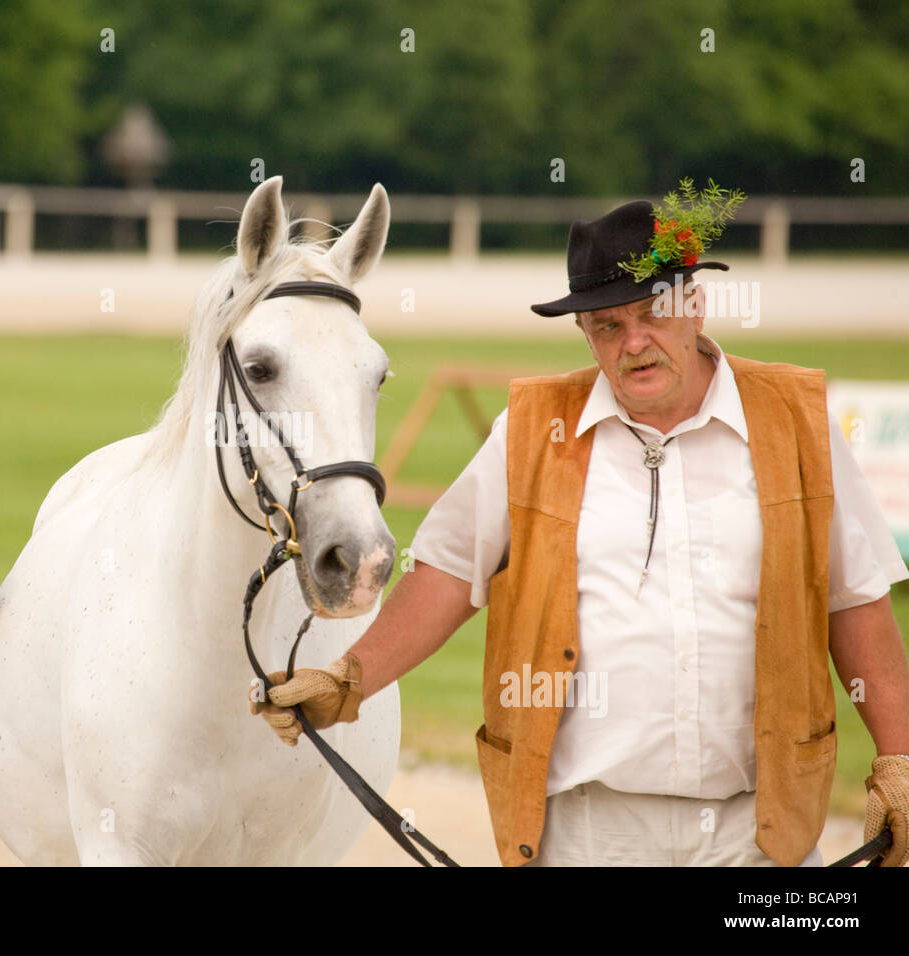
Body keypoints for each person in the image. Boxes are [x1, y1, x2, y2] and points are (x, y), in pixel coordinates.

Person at [250, 199, 909, 866]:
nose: (633, 342)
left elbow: (857, 605)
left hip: (761, 830)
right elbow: (447, 575)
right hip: (586, 832)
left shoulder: (796, 423)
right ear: (586, 334)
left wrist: (899, 760)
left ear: (696, 306)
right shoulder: (533, 430)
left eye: (653, 314)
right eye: (607, 325)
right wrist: (349, 680)